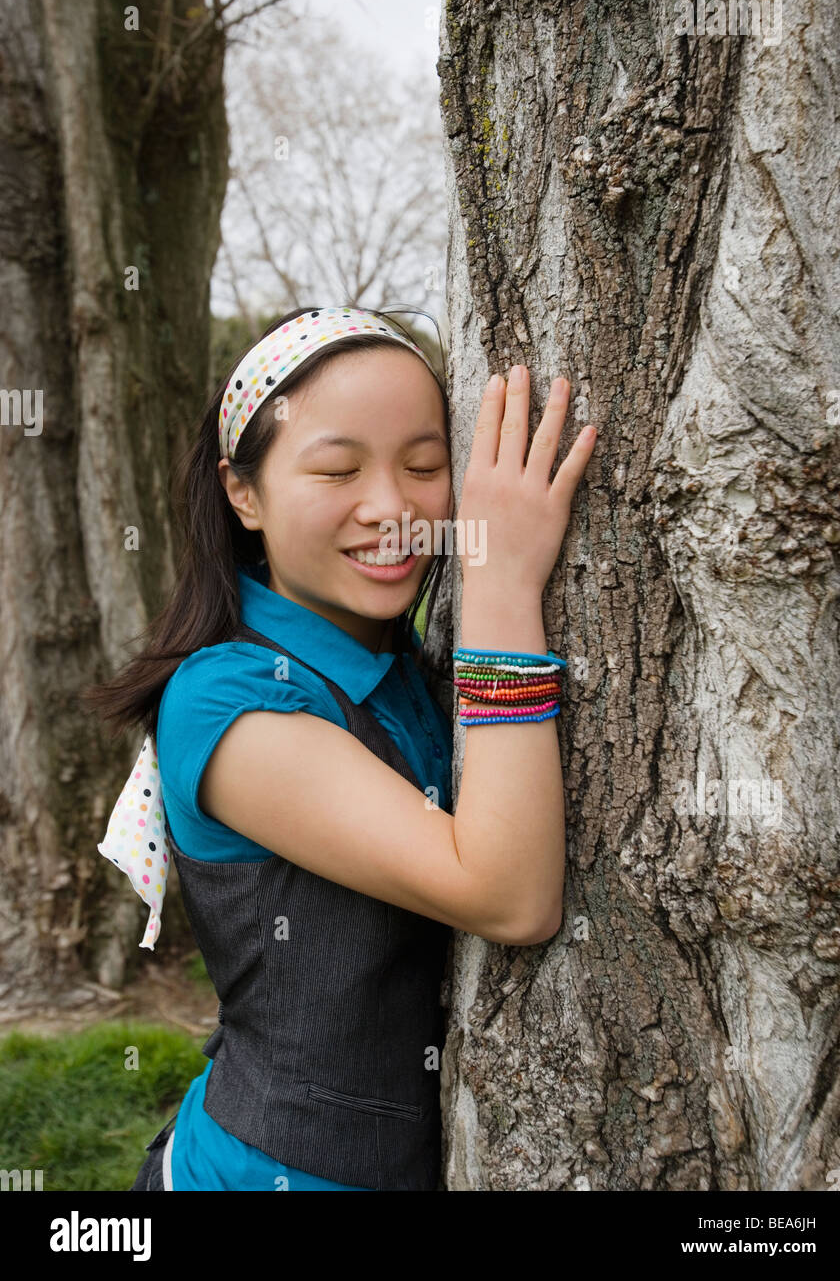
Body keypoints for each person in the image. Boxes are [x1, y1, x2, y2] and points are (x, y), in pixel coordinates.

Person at [84, 304, 597, 1191]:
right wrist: (505, 581)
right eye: (336, 470)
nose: (393, 508)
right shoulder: (228, 701)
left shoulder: (394, 659)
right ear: (243, 493)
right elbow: (509, 898)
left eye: (426, 466)